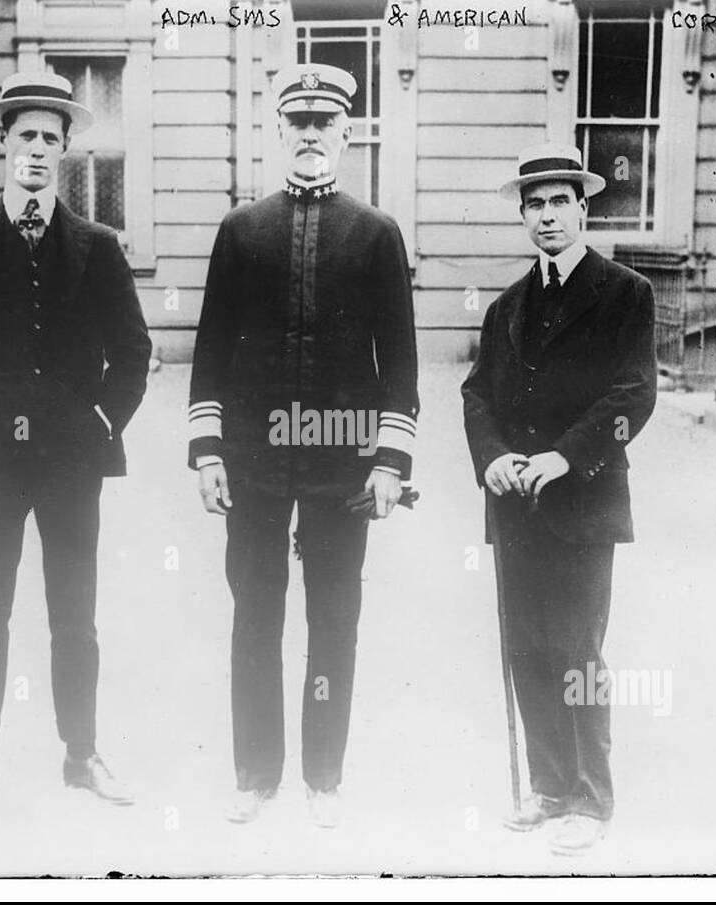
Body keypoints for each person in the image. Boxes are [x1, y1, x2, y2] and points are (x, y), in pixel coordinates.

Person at [0, 72, 152, 810]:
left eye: (51, 137)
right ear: (2, 141)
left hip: (71, 466)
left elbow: (133, 352)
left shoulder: (98, 246)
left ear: (67, 148)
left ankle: (82, 753)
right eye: (25, 135)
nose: (37, 150)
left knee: (75, 615)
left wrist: (102, 423)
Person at [188, 63, 419, 828]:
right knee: (254, 614)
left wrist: (390, 460)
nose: (312, 134)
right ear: (279, 131)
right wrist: (210, 452)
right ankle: (255, 775)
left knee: (334, 616)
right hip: (253, 463)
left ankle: (324, 777)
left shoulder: (376, 233)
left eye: (326, 123)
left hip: (341, 463)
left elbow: (402, 364)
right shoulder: (241, 231)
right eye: (299, 123)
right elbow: (211, 349)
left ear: (347, 133)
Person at [461, 142, 657, 855]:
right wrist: (494, 460)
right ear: (524, 215)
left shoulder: (624, 294)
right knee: (527, 648)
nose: (547, 216)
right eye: (534, 204)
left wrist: (562, 457)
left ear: (583, 207)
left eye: (559, 202)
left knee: (576, 651)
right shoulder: (508, 305)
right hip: (514, 505)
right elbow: (477, 393)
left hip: (583, 504)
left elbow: (632, 395)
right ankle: (548, 788)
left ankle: (590, 800)